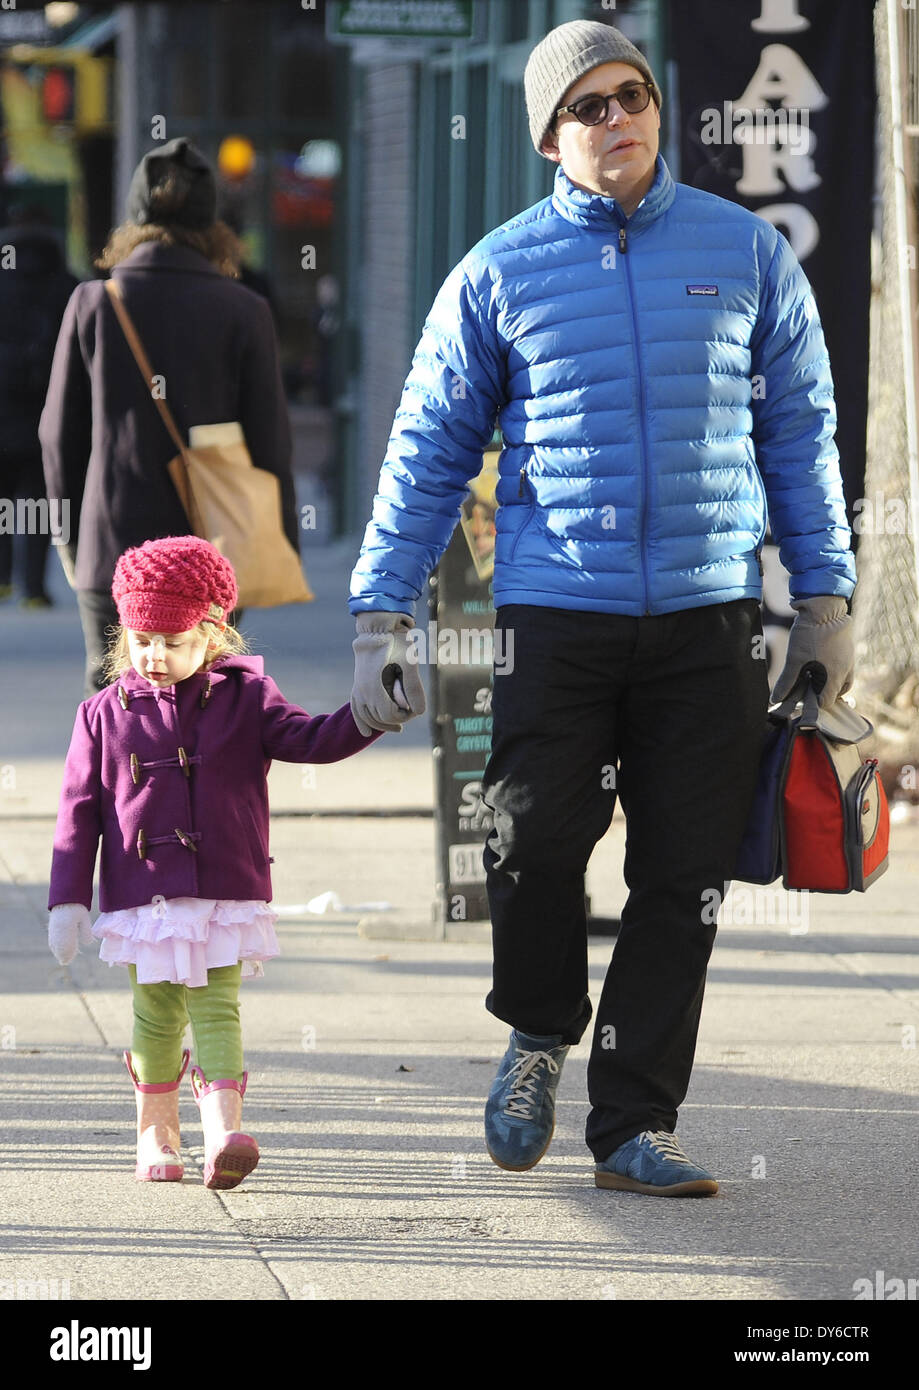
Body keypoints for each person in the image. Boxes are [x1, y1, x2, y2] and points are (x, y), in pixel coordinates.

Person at [348, 21, 856, 1197]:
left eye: (631, 94)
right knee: (528, 846)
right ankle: (536, 1033)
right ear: (546, 136)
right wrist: (381, 612)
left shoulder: (745, 254)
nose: (617, 116)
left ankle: (634, 1121)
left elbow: (799, 429)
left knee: (683, 876)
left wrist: (821, 594)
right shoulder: (497, 271)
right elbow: (427, 454)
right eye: (588, 105)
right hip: (554, 611)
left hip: (707, 614)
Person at [47, 536, 378, 1189]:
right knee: (156, 1012)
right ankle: (156, 1137)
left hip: (223, 890)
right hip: (142, 897)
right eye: (142, 640)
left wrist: (368, 713)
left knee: (216, 1005)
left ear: (213, 634)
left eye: (173, 641)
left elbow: (310, 740)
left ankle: (225, 1131)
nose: (154, 656)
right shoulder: (101, 716)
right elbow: (77, 813)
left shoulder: (247, 698)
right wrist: (67, 899)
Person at [39, 137, 299, 698]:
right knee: (205, 698)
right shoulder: (245, 309)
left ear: (135, 218)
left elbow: (58, 436)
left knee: (114, 705)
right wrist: (278, 536)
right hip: (215, 544)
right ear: (213, 224)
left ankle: (115, 789)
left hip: (111, 542)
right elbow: (272, 441)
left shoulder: (95, 302)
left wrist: (68, 539)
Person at [0, 203, 78, 606]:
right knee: (35, 500)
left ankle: (2, 580)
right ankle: (33, 587)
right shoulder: (66, 284)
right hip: (47, 412)